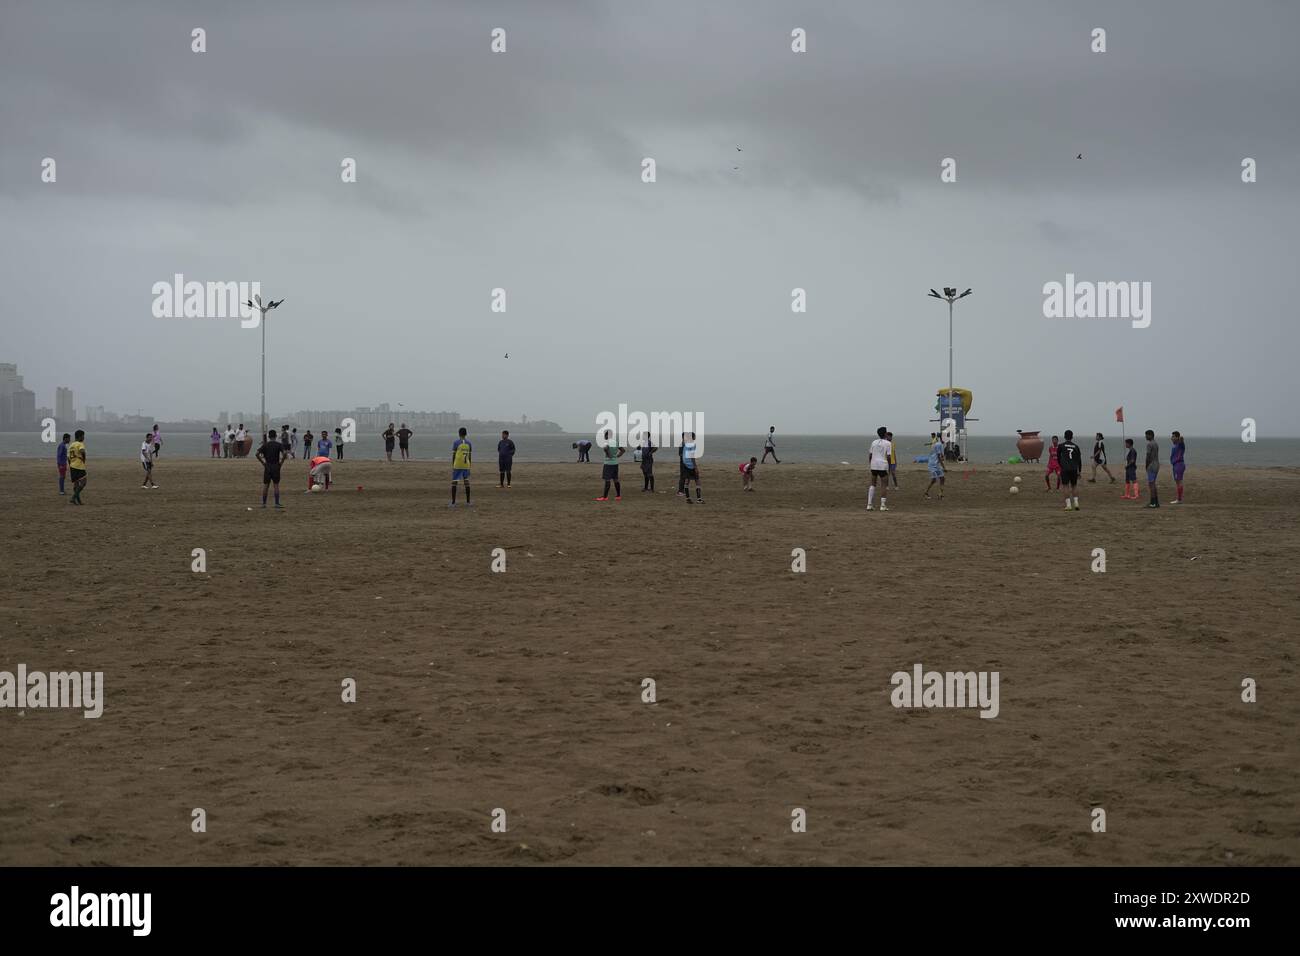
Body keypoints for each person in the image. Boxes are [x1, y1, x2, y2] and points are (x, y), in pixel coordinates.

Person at [257, 429, 287, 508]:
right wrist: (281, 462)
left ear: (269, 436)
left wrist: (263, 463)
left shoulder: (265, 445)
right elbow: (285, 453)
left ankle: (264, 503)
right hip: (276, 466)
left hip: (268, 466)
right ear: (276, 436)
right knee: (276, 485)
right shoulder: (279, 444)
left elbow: (257, 454)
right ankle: (276, 503)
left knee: (266, 485)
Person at [595, 430, 625, 501]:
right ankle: (618, 496)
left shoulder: (607, 442)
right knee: (616, 479)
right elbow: (623, 450)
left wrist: (609, 455)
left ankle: (605, 497)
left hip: (608, 464)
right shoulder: (616, 442)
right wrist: (617, 456)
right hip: (615, 463)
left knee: (607, 480)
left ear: (607, 436)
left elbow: (605, 448)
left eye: (605, 436)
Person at [1057, 429, 1082, 510]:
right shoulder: (1076, 446)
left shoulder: (1061, 446)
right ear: (1072, 437)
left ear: (1064, 436)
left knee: (1065, 486)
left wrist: (1061, 465)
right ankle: (1076, 503)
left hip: (1065, 468)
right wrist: (1079, 471)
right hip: (1074, 469)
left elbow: (1058, 457)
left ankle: (1068, 505)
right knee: (1074, 486)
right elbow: (1079, 460)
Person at [867, 426, 891, 511]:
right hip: (882, 465)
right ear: (885, 434)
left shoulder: (874, 442)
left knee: (873, 484)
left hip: (874, 465)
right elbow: (888, 456)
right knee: (883, 485)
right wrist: (890, 465)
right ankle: (883, 505)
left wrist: (870, 463)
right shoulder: (888, 443)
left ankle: (869, 504)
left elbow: (870, 454)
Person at [449, 427, 472, 507]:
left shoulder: (456, 443)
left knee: (454, 483)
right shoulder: (469, 443)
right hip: (466, 465)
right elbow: (469, 456)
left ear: (459, 434)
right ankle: (468, 502)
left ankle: (453, 503)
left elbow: (454, 455)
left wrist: (453, 465)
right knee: (467, 483)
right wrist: (470, 466)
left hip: (458, 465)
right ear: (466, 434)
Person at [679, 432, 703, 503]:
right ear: (693, 437)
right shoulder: (692, 444)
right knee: (697, 481)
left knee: (687, 481)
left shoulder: (685, 444)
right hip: (690, 465)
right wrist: (695, 467)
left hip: (685, 464)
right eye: (695, 436)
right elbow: (692, 456)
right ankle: (699, 499)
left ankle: (688, 499)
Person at [67, 430, 87, 505]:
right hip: (79, 465)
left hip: (72, 466)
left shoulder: (71, 445)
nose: (83, 437)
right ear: (79, 436)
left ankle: (78, 501)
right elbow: (82, 451)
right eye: (83, 436)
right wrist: (84, 460)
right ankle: (73, 497)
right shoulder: (80, 444)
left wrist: (70, 465)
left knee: (76, 484)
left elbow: (68, 458)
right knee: (84, 482)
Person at [924, 433, 945, 499]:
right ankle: (926, 493)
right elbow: (939, 457)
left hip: (937, 464)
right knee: (934, 480)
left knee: (942, 478)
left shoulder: (940, 444)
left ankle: (940, 494)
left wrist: (942, 457)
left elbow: (940, 456)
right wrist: (944, 467)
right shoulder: (938, 444)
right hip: (932, 464)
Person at [1144, 429, 1161, 508]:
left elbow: (1148, 456)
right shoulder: (1156, 443)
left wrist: (1146, 465)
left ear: (1150, 435)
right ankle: (1156, 502)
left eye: (1146, 435)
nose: (1146, 436)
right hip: (1157, 464)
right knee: (1153, 483)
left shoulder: (1150, 444)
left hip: (1152, 465)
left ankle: (1153, 502)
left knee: (1151, 484)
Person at [1169, 431, 1187, 504]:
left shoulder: (1180, 445)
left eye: (1173, 436)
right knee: (1177, 482)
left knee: (1179, 482)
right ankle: (1179, 499)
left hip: (1179, 465)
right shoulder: (1174, 446)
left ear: (1177, 437)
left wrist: (1180, 439)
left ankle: (1179, 500)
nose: (1171, 438)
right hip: (1175, 465)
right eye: (1172, 436)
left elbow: (1182, 439)